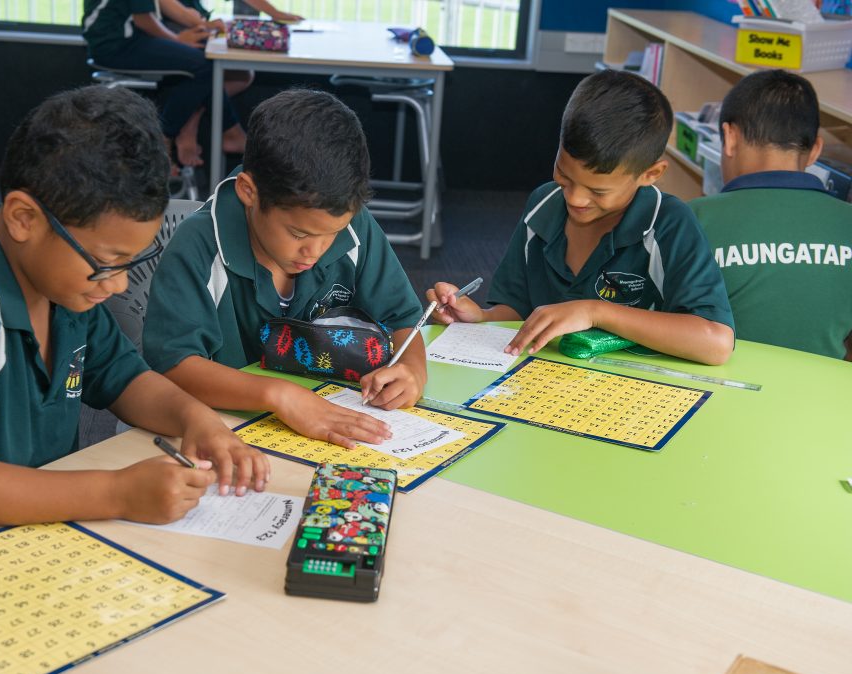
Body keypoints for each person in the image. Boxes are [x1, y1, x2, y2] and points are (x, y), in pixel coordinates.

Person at [0, 86, 269, 542]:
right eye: (106, 263)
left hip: (27, 529)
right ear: (24, 219)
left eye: (128, 264)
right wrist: (117, 492)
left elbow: (126, 379)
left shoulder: (64, 288)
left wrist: (196, 420)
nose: (119, 285)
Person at [142, 89, 427, 449]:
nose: (316, 250)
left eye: (332, 234)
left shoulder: (351, 224)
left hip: (321, 422)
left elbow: (403, 317)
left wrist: (413, 370)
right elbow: (173, 365)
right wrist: (280, 396)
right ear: (249, 191)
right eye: (298, 233)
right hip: (220, 431)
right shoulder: (199, 244)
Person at [427, 69, 735, 366]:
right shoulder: (543, 204)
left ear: (650, 174)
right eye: (564, 175)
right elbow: (517, 311)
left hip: (631, 396)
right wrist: (480, 318)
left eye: (598, 191)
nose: (574, 198)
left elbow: (716, 343)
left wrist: (595, 312)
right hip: (538, 387)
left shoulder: (669, 222)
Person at [689, 70, 852, 361]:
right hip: (827, 403)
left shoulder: (692, 219)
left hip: (718, 400)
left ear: (729, 137)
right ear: (815, 150)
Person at [82, 0, 246, 167]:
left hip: (128, 37)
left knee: (205, 57)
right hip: (115, 44)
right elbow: (144, 20)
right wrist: (177, 39)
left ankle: (229, 132)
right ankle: (164, 138)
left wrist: (201, 25)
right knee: (204, 66)